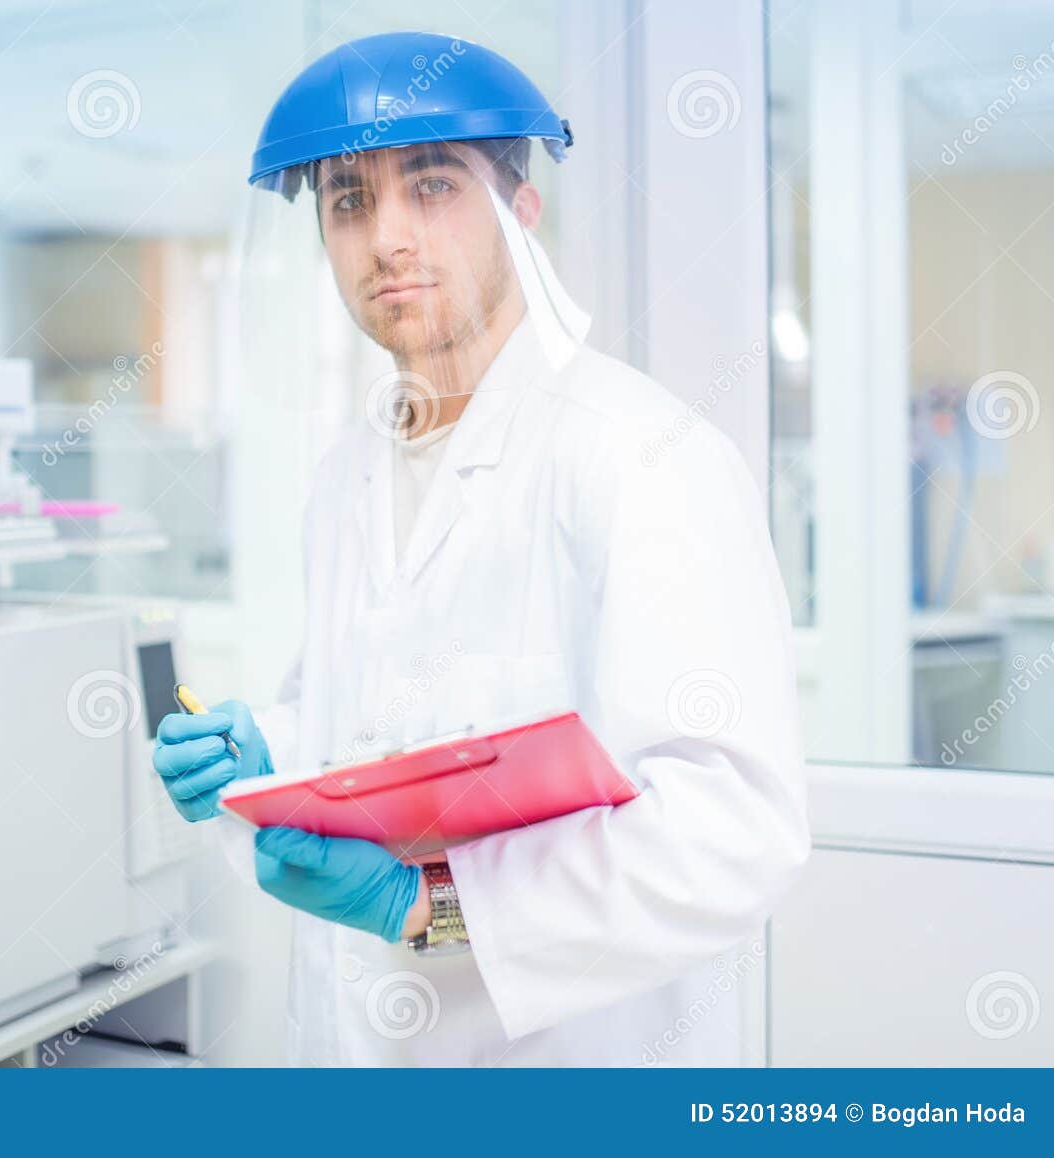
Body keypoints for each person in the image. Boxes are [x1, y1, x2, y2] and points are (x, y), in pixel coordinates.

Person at [153, 31, 809, 1065]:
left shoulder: (639, 457)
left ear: (520, 209)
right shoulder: (347, 477)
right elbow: (378, 718)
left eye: (432, 185)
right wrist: (269, 746)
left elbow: (729, 838)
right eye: (349, 201)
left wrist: (432, 908)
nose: (389, 239)